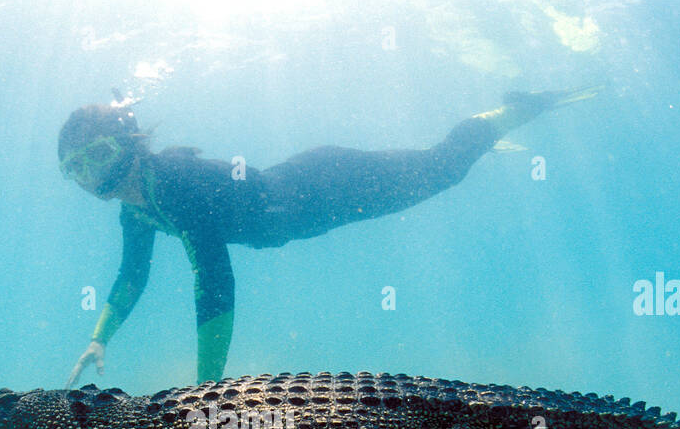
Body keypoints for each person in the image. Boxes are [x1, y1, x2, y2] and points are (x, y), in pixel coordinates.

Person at [61, 88, 599, 387]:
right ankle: (476, 146)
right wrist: (99, 337)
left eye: (99, 155)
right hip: (307, 198)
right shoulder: (138, 210)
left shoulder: (172, 186)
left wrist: (206, 391)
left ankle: (515, 111)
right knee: (437, 170)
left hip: (325, 187)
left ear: (127, 144)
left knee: (441, 170)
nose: (93, 176)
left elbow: (214, 280)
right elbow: (132, 274)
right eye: (77, 168)